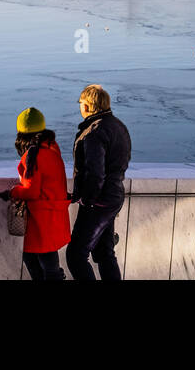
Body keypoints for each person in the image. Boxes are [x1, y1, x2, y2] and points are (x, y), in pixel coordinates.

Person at [66, 84, 131, 281]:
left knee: (76, 255)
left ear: (87, 106)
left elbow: (96, 172)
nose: (80, 107)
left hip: (99, 201)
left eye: (82, 104)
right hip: (113, 196)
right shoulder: (119, 126)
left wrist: (87, 199)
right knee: (104, 254)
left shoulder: (95, 132)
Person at [1, 107, 71, 281]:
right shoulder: (53, 149)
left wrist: (12, 192)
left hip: (40, 220)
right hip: (55, 214)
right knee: (49, 264)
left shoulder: (33, 155)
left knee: (39, 262)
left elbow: (31, 191)